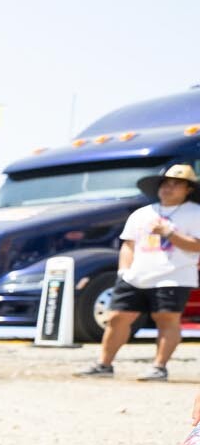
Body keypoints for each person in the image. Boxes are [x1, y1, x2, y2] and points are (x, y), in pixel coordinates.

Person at [80, 162, 200, 380]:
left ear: (188, 189)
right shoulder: (142, 213)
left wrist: (169, 233)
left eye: (176, 184)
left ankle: (159, 367)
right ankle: (104, 364)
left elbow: (197, 245)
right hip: (137, 274)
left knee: (166, 319)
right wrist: (123, 270)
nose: (168, 188)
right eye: (165, 183)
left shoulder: (195, 213)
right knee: (117, 317)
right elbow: (129, 244)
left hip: (175, 275)